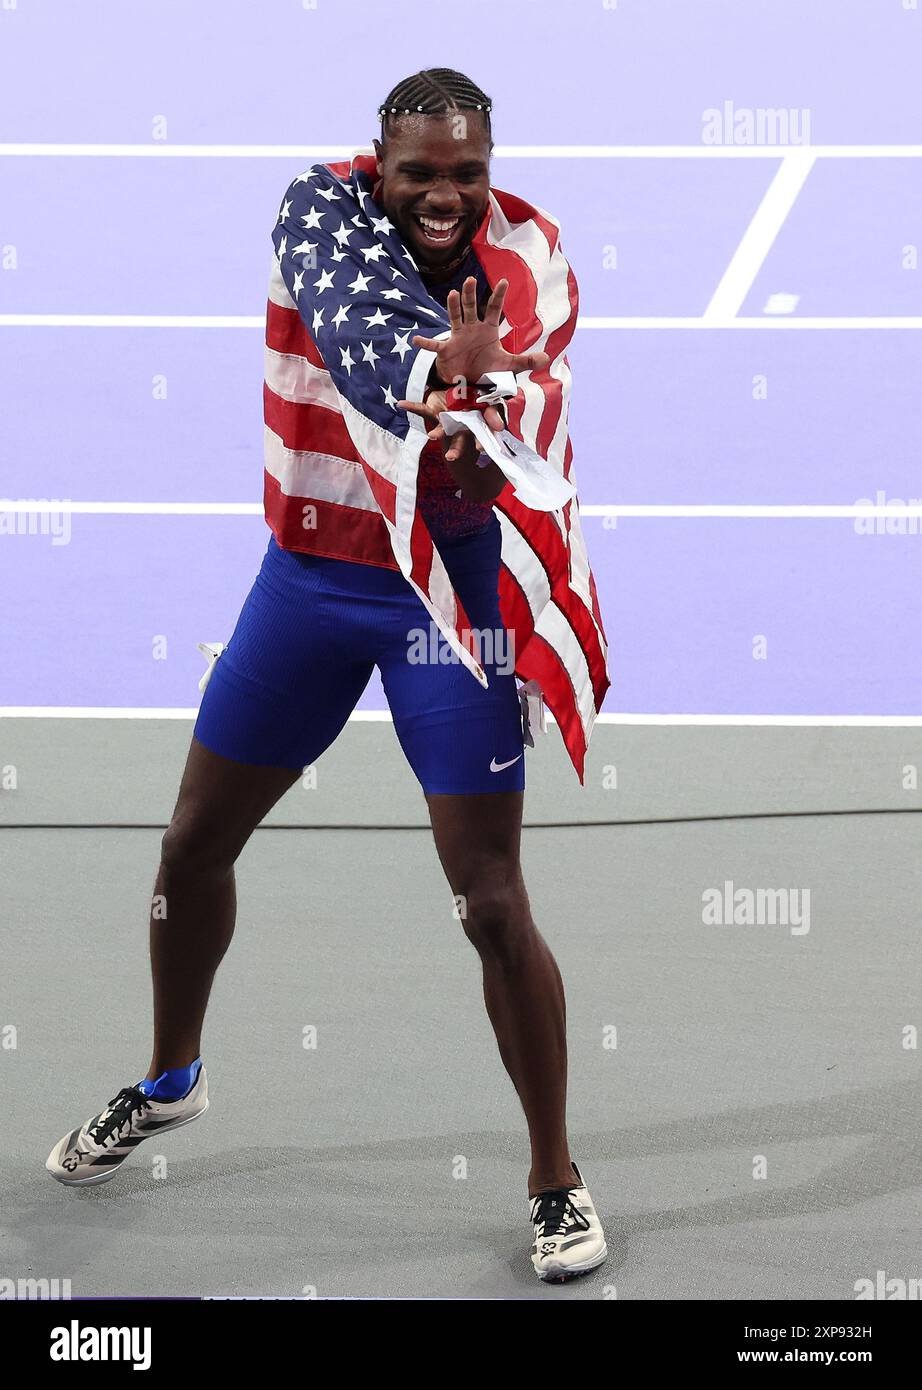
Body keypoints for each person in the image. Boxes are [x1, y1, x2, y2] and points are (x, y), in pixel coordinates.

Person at [46, 67, 608, 1283]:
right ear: (381, 162)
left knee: (491, 899)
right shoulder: (320, 213)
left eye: (468, 170)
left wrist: (474, 428)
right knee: (191, 847)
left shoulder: (534, 261)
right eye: (421, 172)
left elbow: (477, 482)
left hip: (444, 598)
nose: (446, 194)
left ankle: (554, 1177)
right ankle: (171, 1080)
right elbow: (358, 340)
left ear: (490, 164)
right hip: (306, 580)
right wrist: (438, 375)